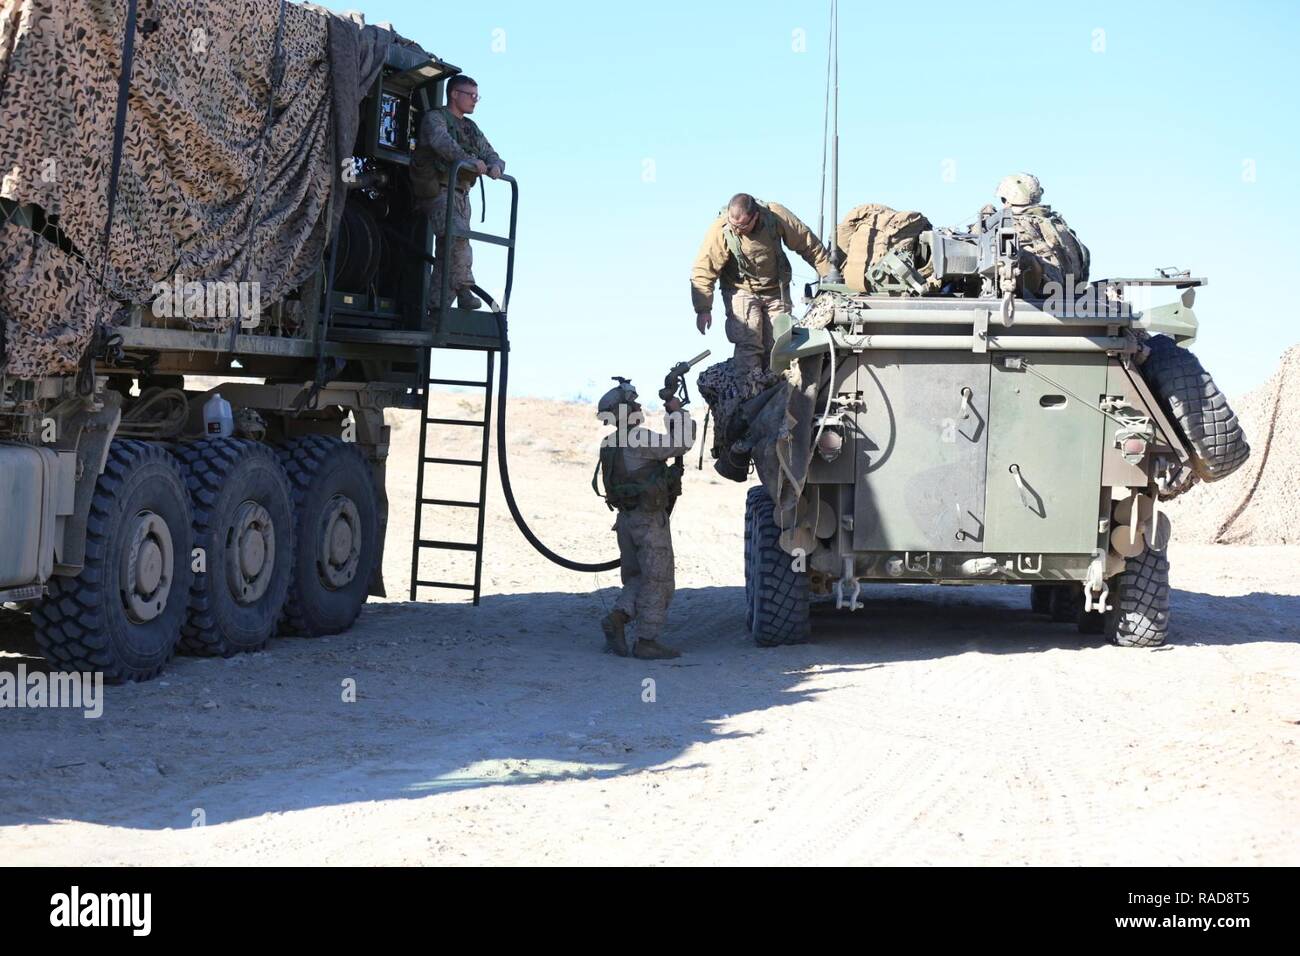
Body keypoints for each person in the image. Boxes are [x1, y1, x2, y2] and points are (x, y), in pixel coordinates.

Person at [593, 378, 694, 660]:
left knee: (638, 577)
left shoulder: (610, 442)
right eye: (633, 402)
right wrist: (676, 412)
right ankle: (646, 641)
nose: (639, 406)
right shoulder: (638, 438)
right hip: (648, 522)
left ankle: (617, 618)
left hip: (627, 521)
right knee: (658, 581)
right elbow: (681, 444)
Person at [691, 193, 831, 372]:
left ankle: (777, 392)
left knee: (779, 347)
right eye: (734, 225)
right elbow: (704, 269)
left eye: (742, 226)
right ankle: (749, 392)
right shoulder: (721, 229)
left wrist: (829, 275)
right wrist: (703, 309)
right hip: (741, 290)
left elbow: (807, 243)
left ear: (755, 216)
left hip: (775, 290)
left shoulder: (775, 216)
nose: (737, 230)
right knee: (748, 343)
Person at [409, 75, 505, 310]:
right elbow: (443, 144)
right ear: (454, 94)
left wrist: (496, 167)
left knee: (449, 248)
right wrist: (471, 161)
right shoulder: (435, 119)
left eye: (476, 96)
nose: (475, 100)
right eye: (470, 95)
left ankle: (437, 304)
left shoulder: (471, 128)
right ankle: (463, 288)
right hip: (438, 190)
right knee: (458, 239)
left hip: (461, 193)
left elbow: (492, 153)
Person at [996, 173, 1090, 295]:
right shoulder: (1058, 224)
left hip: (1038, 295)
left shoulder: (1008, 224)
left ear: (1006, 200)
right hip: (1070, 294)